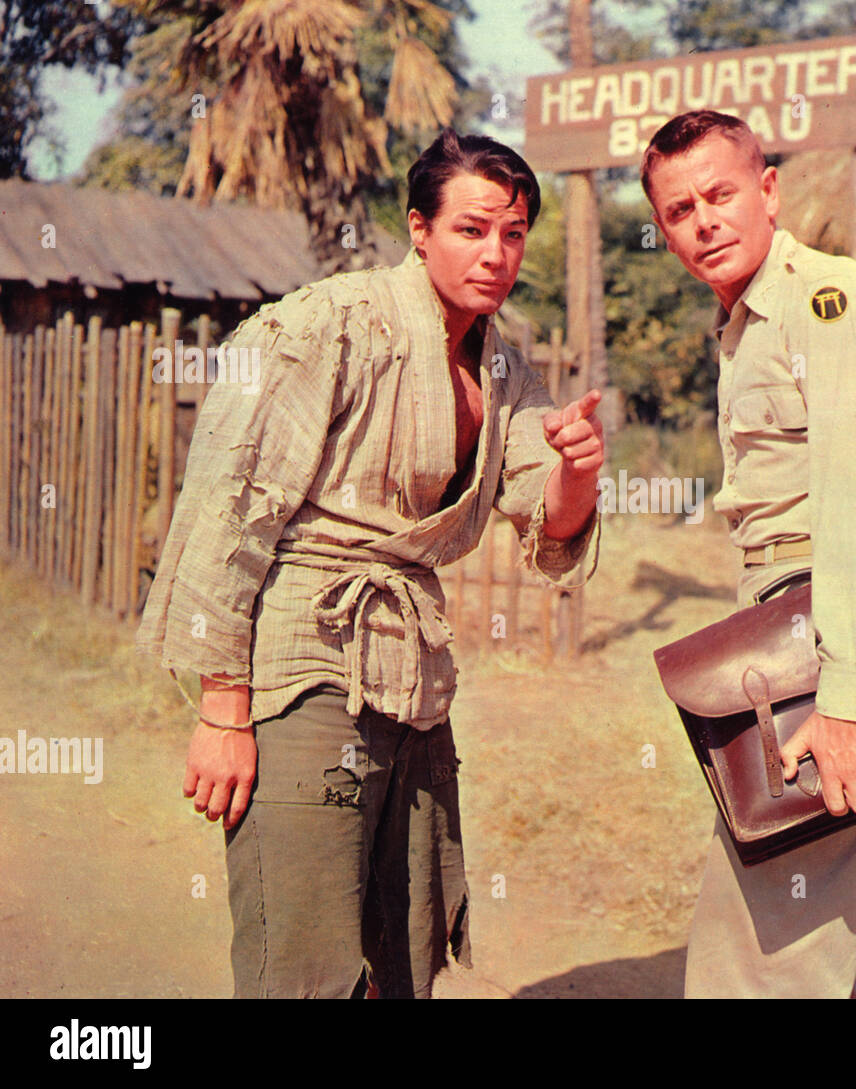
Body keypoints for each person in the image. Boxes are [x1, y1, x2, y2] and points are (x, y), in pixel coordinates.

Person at [136, 129, 603, 999]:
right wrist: (223, 712)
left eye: (513, 234)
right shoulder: (328, 324)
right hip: (301, 659)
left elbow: (549, 518)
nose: (495, 253)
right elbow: (231, 509)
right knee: (304, 963)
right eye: (471, 229)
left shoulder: (503, 366)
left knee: (405, 947)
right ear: (418, 228)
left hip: (412, 677)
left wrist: (577, 469)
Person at [641, 110, 856, 998]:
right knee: (830, 957)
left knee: (757, 963)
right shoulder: (748, 322)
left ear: (769, 191)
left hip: (824, 636)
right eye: (680, 210)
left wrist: (849, 705)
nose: (704, 222)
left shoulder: (826, 304)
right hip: (789, 624)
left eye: (720, 195)